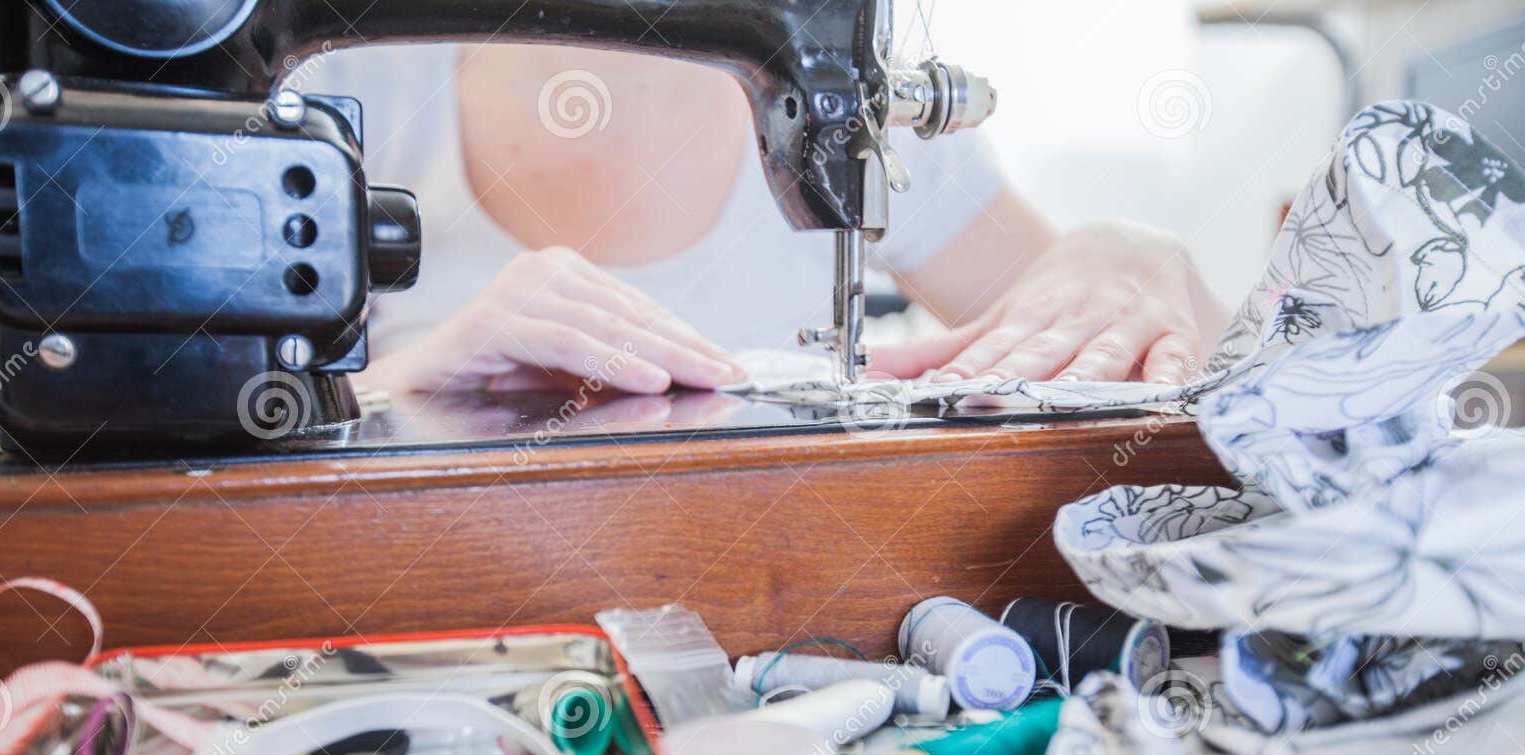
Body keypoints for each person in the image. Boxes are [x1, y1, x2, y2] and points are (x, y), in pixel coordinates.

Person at [315, 43, 1228, 397]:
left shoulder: (846, 97)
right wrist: (391, 392)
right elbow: (190, 464)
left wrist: (1139, 260)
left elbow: (1171, 372)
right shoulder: (343, 85)